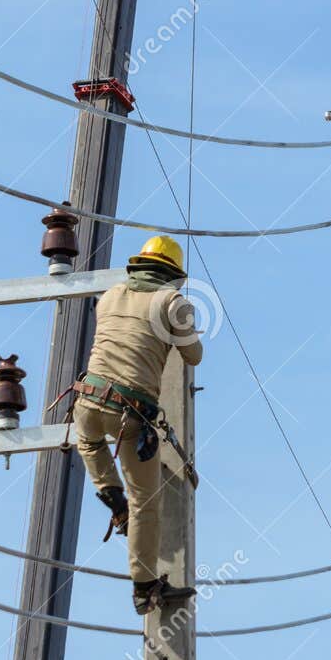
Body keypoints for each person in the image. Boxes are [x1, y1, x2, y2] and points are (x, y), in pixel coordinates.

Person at [73, 235, 203, 614]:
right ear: (173, 275)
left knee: (90, 443)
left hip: (88, 399)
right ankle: (145, 589)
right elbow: (193, 354)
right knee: (146, 501)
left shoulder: (111, 295)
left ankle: (110, 494)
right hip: (130, 413)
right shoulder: (172, 302)